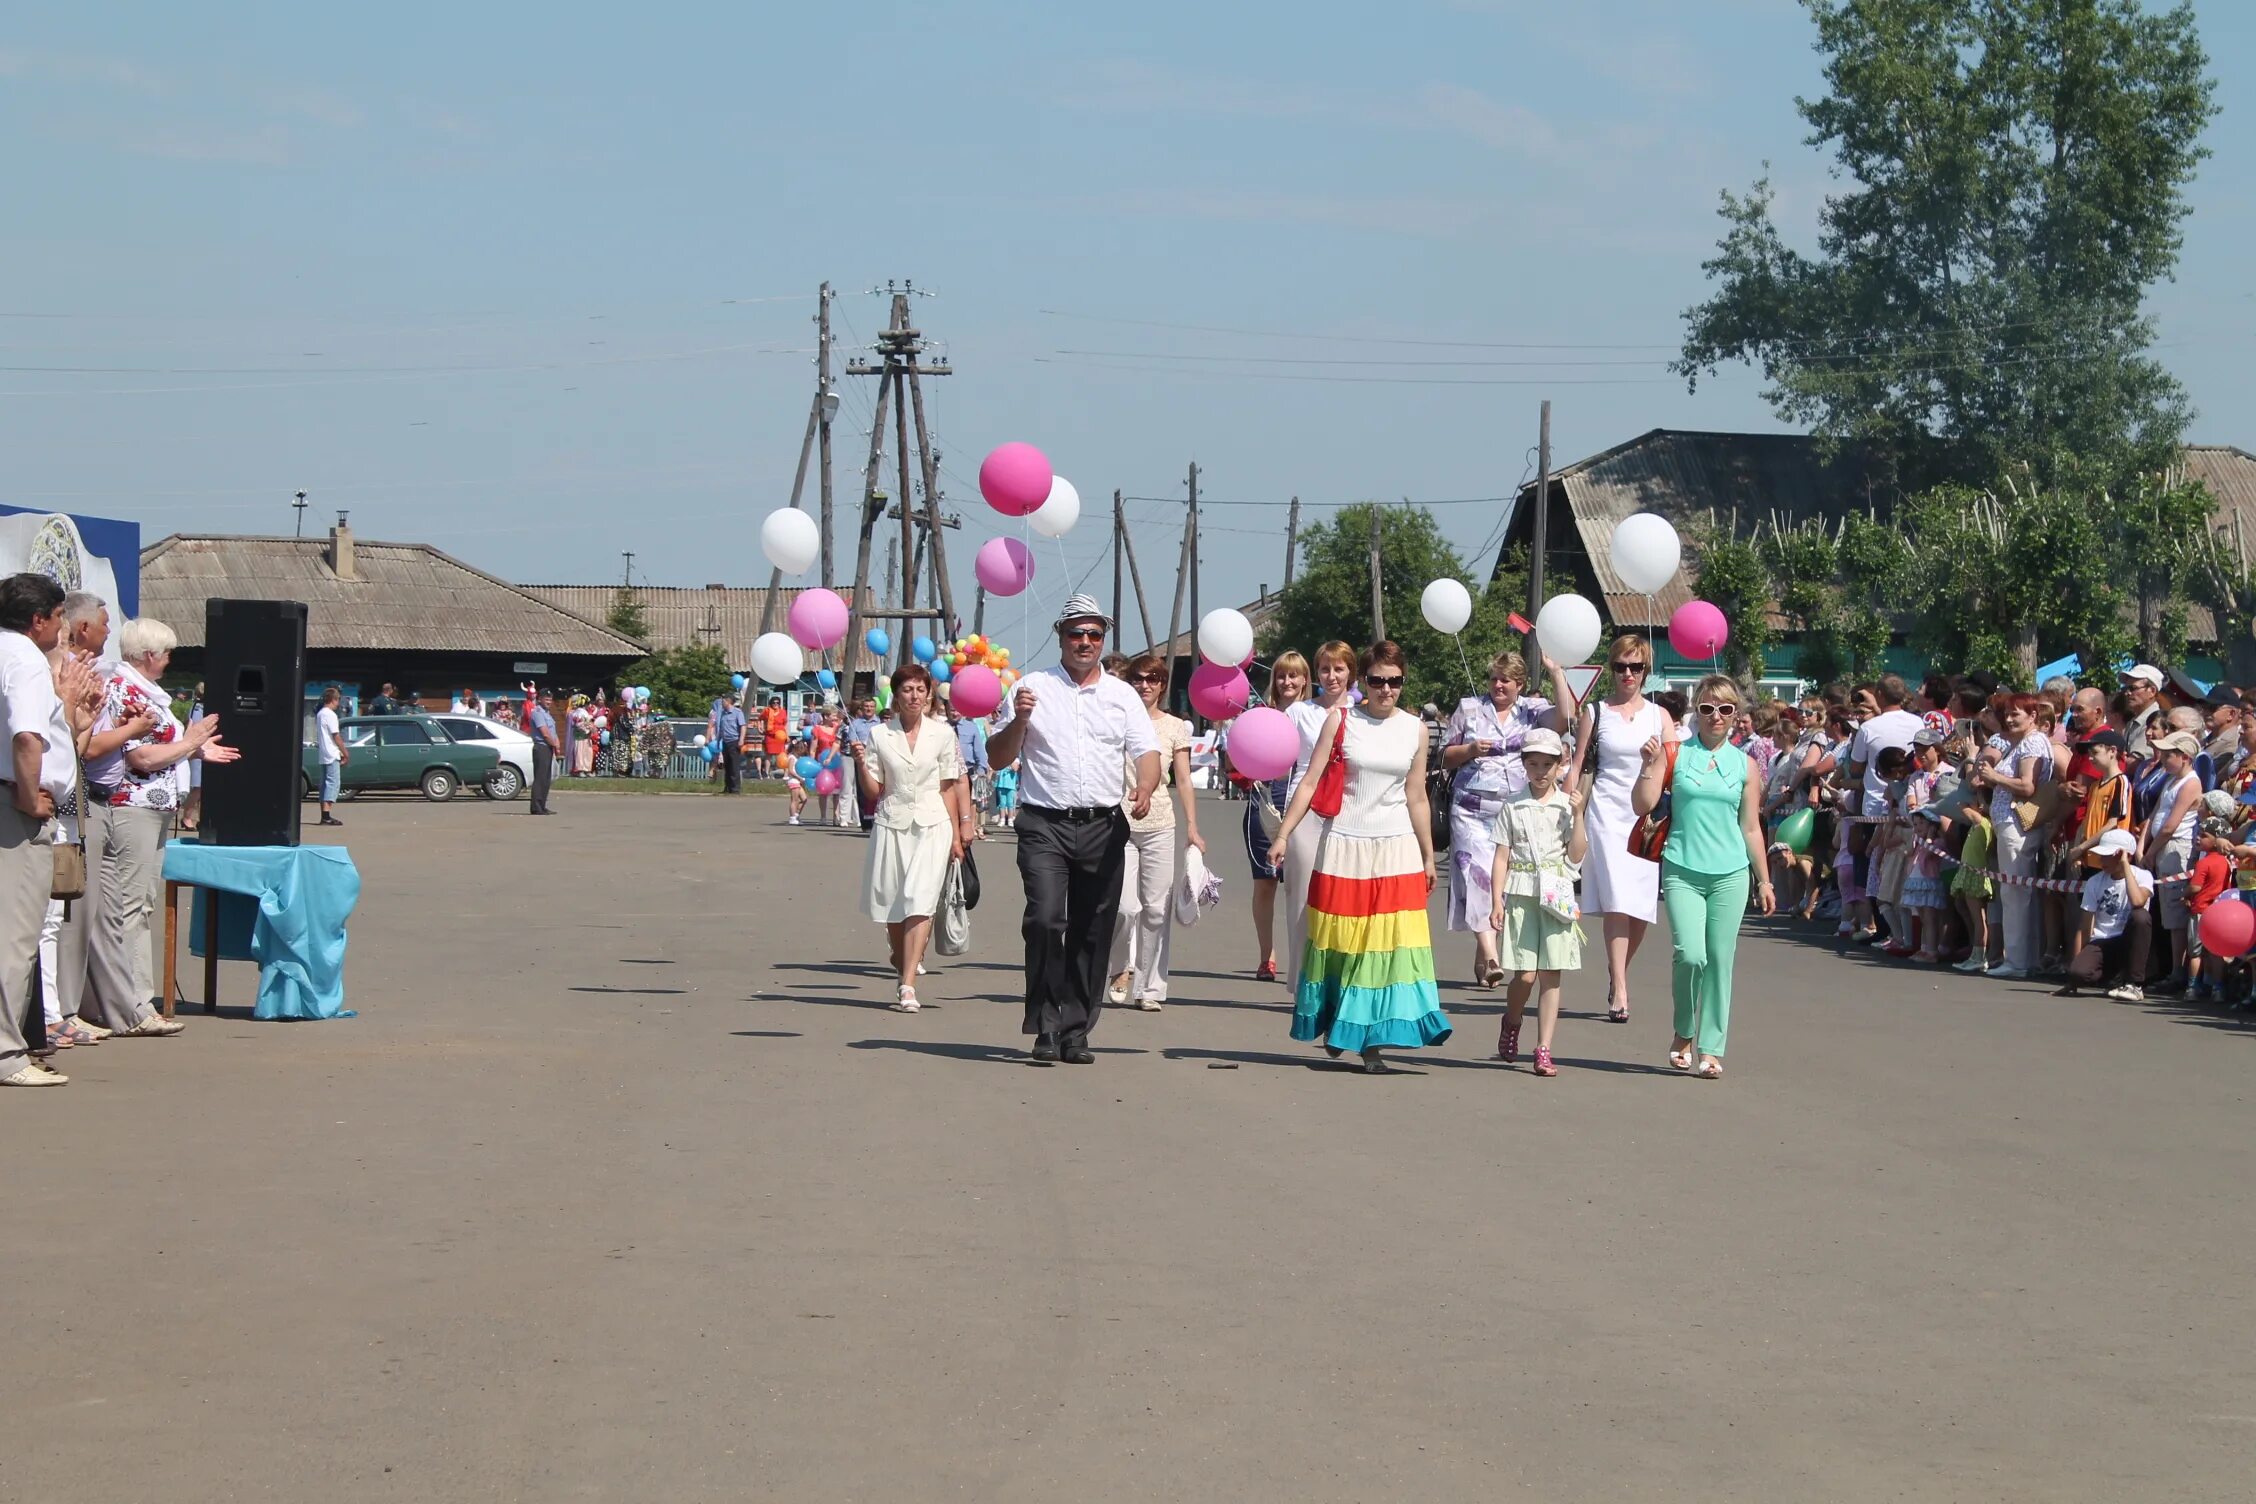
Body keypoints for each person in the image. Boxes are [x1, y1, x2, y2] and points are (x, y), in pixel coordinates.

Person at [985, 595, 1159, 1065]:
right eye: (1075, 634)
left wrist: (1144, 787)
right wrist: (1019, 720)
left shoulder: (1122, 695)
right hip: (1045, 823)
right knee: (1045, 920)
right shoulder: (1032, 687)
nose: (1085, 642)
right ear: (1059, 636)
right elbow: (997, 757)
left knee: (1093, 929)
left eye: (1094, 635)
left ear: (1103, 639)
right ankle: (1044, 1023)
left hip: (1103, 825)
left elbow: (1147, 752)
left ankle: (1075, 1030)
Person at [1268, 640, 1448, 1075]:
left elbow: (1417, 796)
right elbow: (1309, 782)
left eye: (1395, 681)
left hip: (1397, 848)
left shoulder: (1415, 730)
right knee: (1343, 944)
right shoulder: (1341, 720)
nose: (1386, 689)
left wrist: (1427, 856)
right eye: (1377, 680)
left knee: (1388, 947)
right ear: (1362, 681)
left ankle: (1370, 1044)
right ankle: (1341, 1026)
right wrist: (1284, 835)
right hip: (1345, 845)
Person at [82, 616, 239, 1040]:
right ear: (150, 655)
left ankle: (125, 1001)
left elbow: (160, 751)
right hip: (131, 808)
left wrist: (195, 749)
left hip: (151, 808)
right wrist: (190, 744)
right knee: (128, 908)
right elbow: (143, 758)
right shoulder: (124, 689)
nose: (170, 660)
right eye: (167, 652)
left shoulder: (148, 692)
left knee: (140, 905)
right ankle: (131, 1004)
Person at [1632, 673, 1773, 1080]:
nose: (1715, 716)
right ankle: (1683, 1032)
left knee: (1719, 961)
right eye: (1708, 708)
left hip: (1731, 872)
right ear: (1697, 711)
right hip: (1682, 866)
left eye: (1725, 709)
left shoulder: (1746, 764)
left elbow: (1750, 827)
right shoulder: (1674, 753)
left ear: (1736, 715)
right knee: (1691, 954)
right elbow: (1644, 804)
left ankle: (1711, 1047)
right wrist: (1647, 765)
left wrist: (1764, 880)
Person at [1440, 650, 1571, 990]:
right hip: (1471, 809)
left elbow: (1565, 719)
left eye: (1506, 680)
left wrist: (1556, 673)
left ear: (1520, 684)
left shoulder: (1532, 711)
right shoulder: (1469, 708)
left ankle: (1482, 955)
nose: (1498, 685)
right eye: (1494, 679)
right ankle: (1491, 954)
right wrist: (1469, 751)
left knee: (1505, 887)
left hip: (1514, 810)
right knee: (1475, 878)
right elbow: (1443, 755)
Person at [1568, 633, 1676, 1024]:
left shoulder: (1659, 715)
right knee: (1616, 900)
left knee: (1641, 909)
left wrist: (1656, 761)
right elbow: (1578, 763)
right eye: (1620, 667)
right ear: (1611, 669)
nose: (1628, 674)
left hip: (1646, 816)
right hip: (1607, 814)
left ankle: (1619, 974)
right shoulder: (1596, 712)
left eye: (1636, 667)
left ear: (1646, 671)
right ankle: (1621, 988)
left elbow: (1673, 769)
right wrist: (1563, 806)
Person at [852, 664, 966, 1012]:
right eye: (907, 690)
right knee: (892, 903)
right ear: (896, 696)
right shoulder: (880, 735)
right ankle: (901, 956)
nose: (914, 696)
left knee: (920, 900)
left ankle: (908, 985)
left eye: (920, 690)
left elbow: (950, 785)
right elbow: (874, 790)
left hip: (932, 824)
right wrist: (860, 763)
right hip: (892, 823)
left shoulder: (943, 734)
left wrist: (959, 833)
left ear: (929, 694)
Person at [0, 576, 72, 1084]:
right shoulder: (24, 659)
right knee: (15, 937)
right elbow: (28, 736)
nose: (63, 626)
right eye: (60, 615)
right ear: (38, 619)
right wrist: (28, 797)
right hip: (13, 805)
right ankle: (7, 1054)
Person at [1487, 727, 1589, 1077]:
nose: (1542, 771)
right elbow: (1501, 855)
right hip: (1521, 890)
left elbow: (1577, 855)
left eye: (1548, 764)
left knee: (1551, 973)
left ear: (1560, 765)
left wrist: (1578, 816)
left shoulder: (1566, 804)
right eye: (1534, 764)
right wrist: (1496, 900)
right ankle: (1512, 1020)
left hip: (1556, 890)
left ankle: (1544, 1048)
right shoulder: (1513, 805)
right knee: (1526, 974)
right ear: (1524, 766)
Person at [1106, 653, 1204, 1013]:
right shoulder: (1115, 721)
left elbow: (1183, 780)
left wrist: (1192, 826)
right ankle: (1120, 968)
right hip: (1119, 824)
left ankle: (1149, 987)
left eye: (1152, 679)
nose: (1144, 685)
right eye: (1138, 679)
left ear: (1162, 685)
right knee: (1124, 907)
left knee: (1156, 910)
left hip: (1161, 824)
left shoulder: (1174, 726)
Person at [1281, 641, 1356, 997]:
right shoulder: (1299, 712)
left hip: (1350, 810)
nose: (1331, 676)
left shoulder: (1362, 711)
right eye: (1325, 669)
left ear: (1350, 673)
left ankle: (1337, 981)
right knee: (1302, 898)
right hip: (1305, 808)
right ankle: (1299, 983)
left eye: (1338, 669)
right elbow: (1277, 755)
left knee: (1341, 898)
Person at [1970, 693, 2053, 981]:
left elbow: (2027, 786)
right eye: (2006, 714)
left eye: (2016, 713)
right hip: (2007, 821)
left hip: (2017, 824)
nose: (2008, 719)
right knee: (2014, 890)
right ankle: (2021, 957)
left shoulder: (2032, 742)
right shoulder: (2018, 743)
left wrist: (1994, 777)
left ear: (2033, 716)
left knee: (2016, 890)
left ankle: (2018, 960)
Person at [1241, 650, 1309, 980]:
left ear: (1305, 680)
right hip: (1264, 803)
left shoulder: (1315, 715)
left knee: (1302, 885)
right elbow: (1236, 763)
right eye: (1281, 675)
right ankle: (1266, 955)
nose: (1287, 681)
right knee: (1265, 882)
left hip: (1304, 806)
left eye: (1294, 675)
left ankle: (1303, 956)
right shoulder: (1262, 715)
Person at [2140, 729, 2204, 994]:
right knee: (2167, 913)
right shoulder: (2170, 780)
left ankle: (2179, 972)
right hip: (2161, 848)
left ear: (2185, 757)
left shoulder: (2190, 782)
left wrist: (2150, 853)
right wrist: (2143, 842)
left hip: (2176, 849)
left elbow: (2170, 825)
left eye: (2169, 755)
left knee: (2176, 915)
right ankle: (2172, 969)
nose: (2164, 759)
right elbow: (2155, 815)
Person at [2061, 829, 2153, 1001]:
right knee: (2078, 973)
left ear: (2126, 856)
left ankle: (2135, 985)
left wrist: (2126, 866)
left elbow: (2138, 901)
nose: (2102, 860)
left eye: (2108, 855)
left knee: (2141, 917)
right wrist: (2072, 976)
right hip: (2103, 942)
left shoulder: (2143, 876)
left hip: (2128, 941)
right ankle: (2114, 979)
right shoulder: (2094, 882)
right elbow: (2084, 927)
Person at [313, 686, 349, 826]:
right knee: (332, 783)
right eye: (338, 699)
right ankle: (327, 816)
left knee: (325, 784)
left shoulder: (320, 713)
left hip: (323, 753)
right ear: (333, 699)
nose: (338, 703)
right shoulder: (330, 715)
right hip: (332, 753)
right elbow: (336, 736)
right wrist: (345, 752)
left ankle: (324, 814)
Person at [524, 685, 560, 815]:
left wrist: (556, 745)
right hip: (541, 747)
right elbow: (544, 733)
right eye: (546, 699)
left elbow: (552, 732)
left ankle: (542, 805)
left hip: (548, 747)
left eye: (550, 699)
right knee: (540, 778)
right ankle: (536, 807)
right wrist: (554, 745)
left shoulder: (547, 714)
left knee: (546, 778)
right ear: (539, 699)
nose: (549, 702)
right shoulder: (537, 713)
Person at [2121, 664, 2165, 759]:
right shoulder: (2134, 721)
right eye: (2125, 689)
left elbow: (2135, 764)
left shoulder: (2155, 722)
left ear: (2152, 691)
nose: (2127, 693)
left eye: (2133, 688)